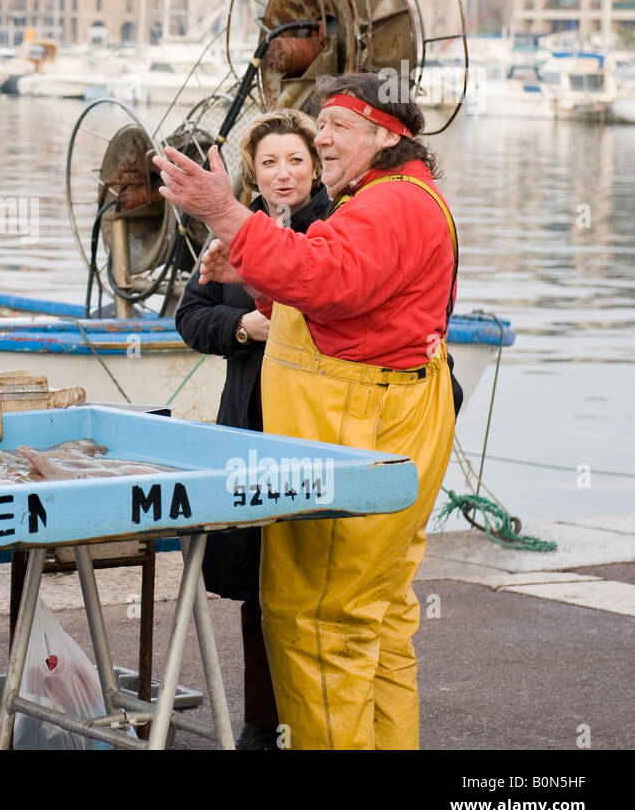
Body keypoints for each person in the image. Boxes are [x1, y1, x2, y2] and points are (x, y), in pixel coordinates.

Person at [155, 70, 458, 751]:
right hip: (393, 418)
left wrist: (226, 213)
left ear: (387, 134)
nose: (320, 136)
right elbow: (341, 293)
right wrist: (254, 273)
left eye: (337, 125)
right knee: (373, 618)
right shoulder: (392, 199)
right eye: (319, 123)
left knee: (320, 623)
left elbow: (328, 277)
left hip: (356, 428)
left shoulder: (390, 205)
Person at [174, 109, 329, 750]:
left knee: (315, 580)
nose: (283, 174)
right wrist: (245, 330)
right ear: (251, 173)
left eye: (295, 160)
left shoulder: (336, 228)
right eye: (269, 162)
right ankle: (263, 724)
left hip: (317, 428)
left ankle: (318, 717)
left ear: (316, 166)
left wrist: (287, 323)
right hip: (250, 423)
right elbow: (191, 315)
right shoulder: (240, 233)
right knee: (256, 586)